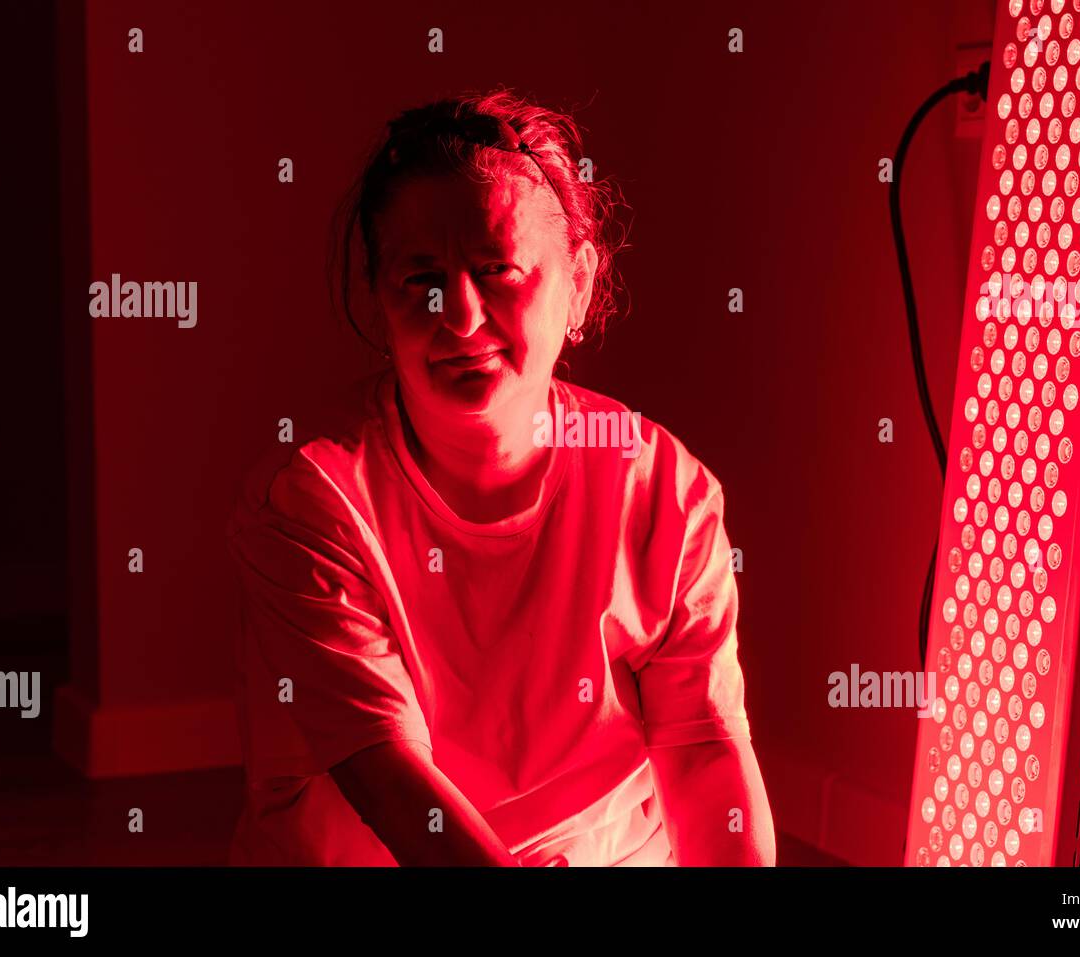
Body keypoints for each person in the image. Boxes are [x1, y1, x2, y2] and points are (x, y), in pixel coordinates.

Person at [224, 88, 775, 866]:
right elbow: (393, 788)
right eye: (421, 279)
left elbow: (704, 749)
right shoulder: (311, 502)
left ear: (579, 281)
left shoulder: (663, 489)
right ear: (378, 299)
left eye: (497, 270)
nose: (460, 315)